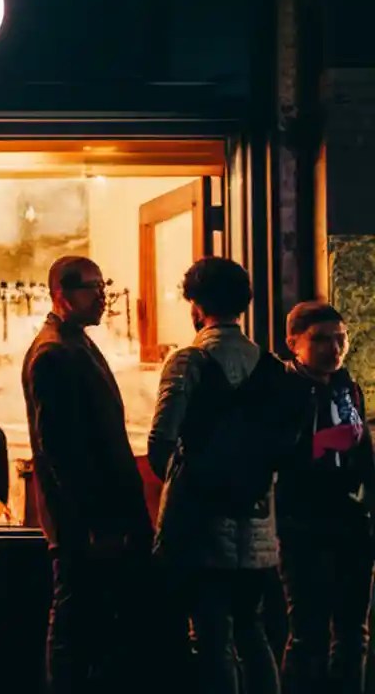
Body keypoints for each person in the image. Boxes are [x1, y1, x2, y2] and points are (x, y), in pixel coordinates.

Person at [149, 257, 300, 694]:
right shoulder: (272, 367)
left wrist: (184, 480)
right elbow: (284, 444)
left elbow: (161, 440)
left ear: (195, 305)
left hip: (199, 523)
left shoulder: (187, 362)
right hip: (257, 522)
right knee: (253, 632)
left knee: (211, 636)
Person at [21, 256, 158, 693]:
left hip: (100, 516)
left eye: (105, 287)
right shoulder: (54, 352)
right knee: (75, 620)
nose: (102, 298)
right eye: (92, 289)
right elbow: (63, 452)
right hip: (87, 522)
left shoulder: (72, 341)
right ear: (61, 293)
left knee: (93, 619)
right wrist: (96, 521)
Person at [278, 302, 375, 694]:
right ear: (293, 343)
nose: (334, 349)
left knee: (353, 630)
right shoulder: (284, 389)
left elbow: (362, 450)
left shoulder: (346, 385)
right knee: (308, 631)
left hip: (348, 516)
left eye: (340, 339)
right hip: (302, 521)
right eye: (320, 340)